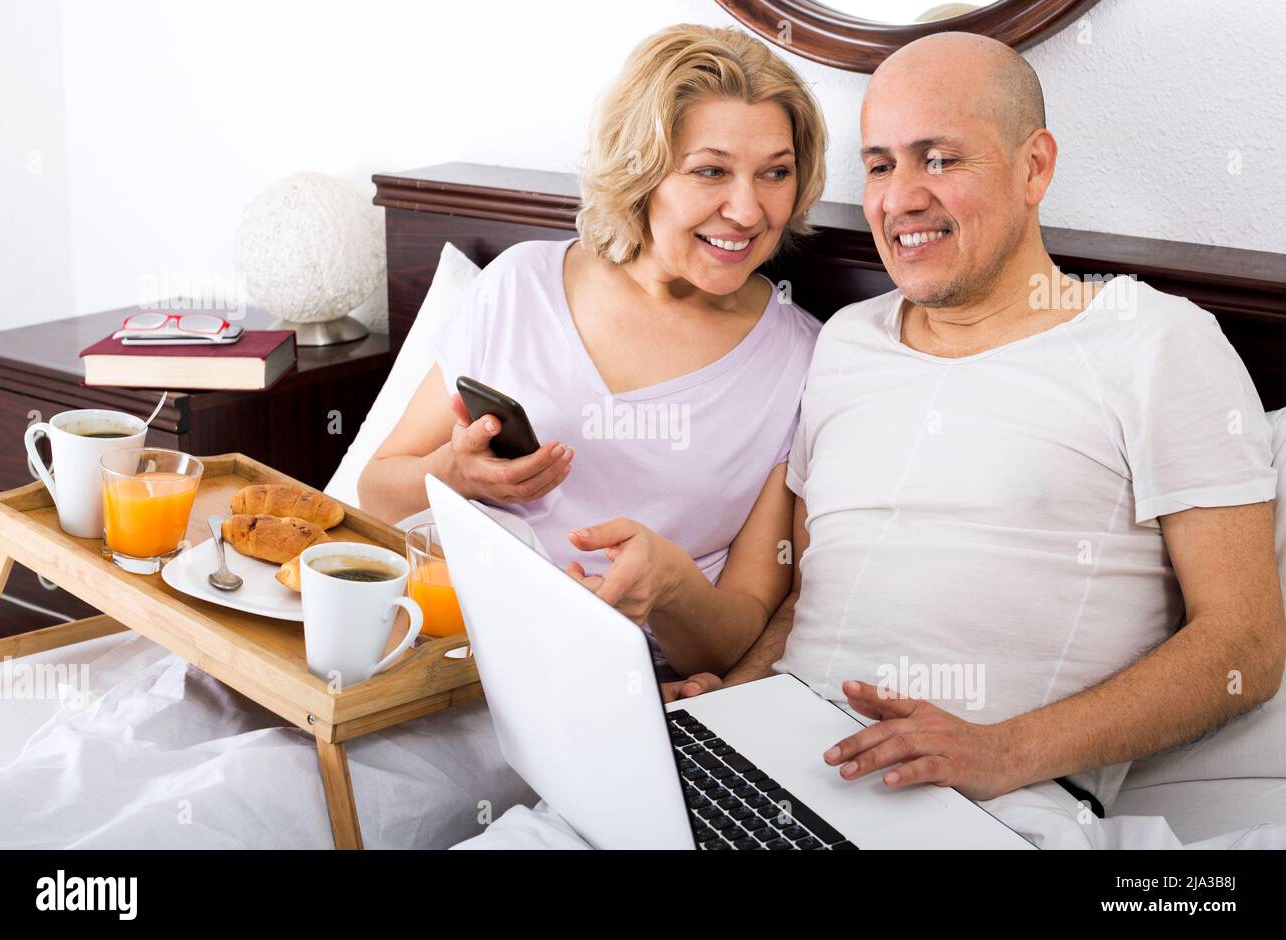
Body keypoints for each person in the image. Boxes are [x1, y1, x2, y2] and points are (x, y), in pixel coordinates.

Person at [457, 31, 1286, 850]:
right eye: (882, 164)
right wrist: (732, 695)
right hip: (760, 754)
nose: (900, 198)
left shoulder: (1156, 343)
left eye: (940, 159)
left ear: (1034, 166)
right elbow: (803, 600)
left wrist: (1003, 751)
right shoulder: (847, 344)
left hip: (982, 802)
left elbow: (1245, 641)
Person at [358, 24, 826, 682]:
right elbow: (376, 492)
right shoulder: (521, 286)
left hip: (605, 696)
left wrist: (670, 587)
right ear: (642, 172)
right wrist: (455, 475)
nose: (748, 211)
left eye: (775, 173)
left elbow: (733, 637)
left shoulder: (801, 364)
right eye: (710, 171)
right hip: (446, 655)